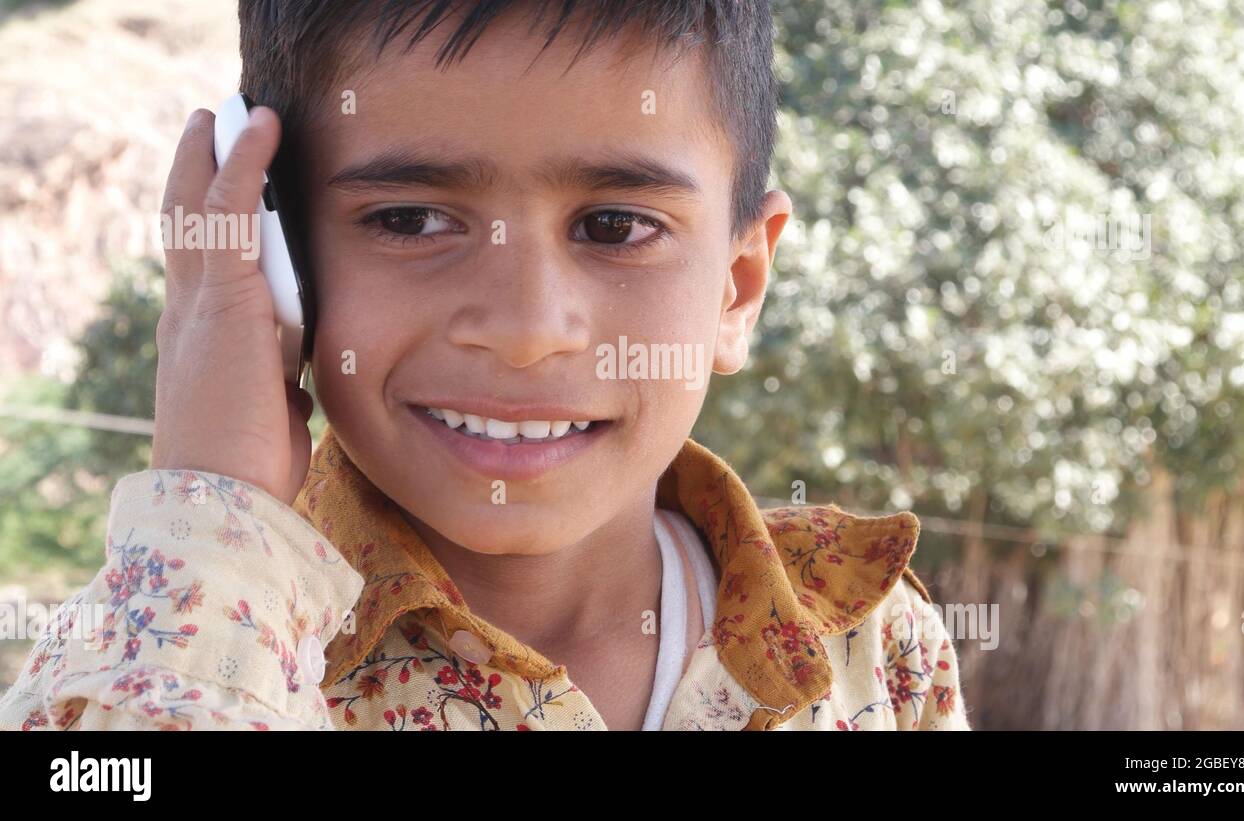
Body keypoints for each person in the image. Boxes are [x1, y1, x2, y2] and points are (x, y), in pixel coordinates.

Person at [1, 0, 970, 731]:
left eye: (614, 225)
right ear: (274, 255)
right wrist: (213, 497)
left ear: (737, 285)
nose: (524, 329)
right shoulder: (190, 639)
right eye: (411, 219)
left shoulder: (868, 639)